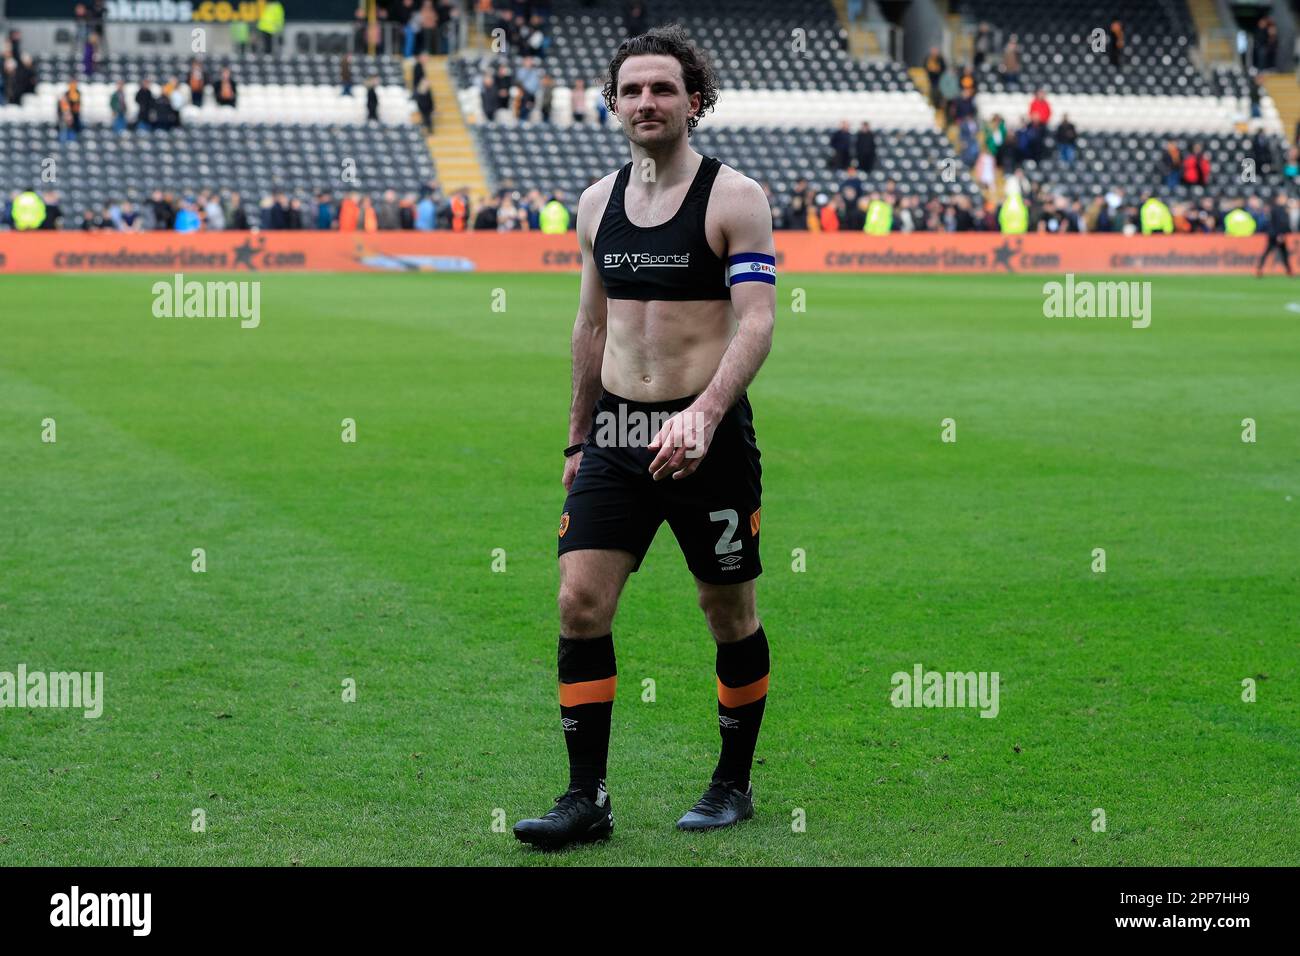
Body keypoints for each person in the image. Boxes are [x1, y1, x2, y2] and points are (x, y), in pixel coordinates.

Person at [513, 23, 776, 850]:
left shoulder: (735, 198)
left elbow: (758, 323)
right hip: (618, 437)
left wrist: (704, 413)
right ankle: (584, 797)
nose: (646, 102)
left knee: (725, 610)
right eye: (632, 90)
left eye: (663, 89)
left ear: (694, 101)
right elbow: (590, 328)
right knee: (578, 601)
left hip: (711, 435)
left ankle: (731, 785)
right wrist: (574, 439)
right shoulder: (597, 203)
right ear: (613, 104)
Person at [1256, 193, 1293, 276]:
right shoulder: (1277, 210)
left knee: (1281, 253)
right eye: (1283, 198)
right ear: (1278, 199)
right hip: (1275, 235)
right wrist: (1279, 234)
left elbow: (1283, 224)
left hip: (1276, 234)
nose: (1285, 200)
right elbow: (1277, 223)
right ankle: (1259, 269)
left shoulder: (1280, 209)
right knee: (1271, 252)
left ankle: (1289, 270)